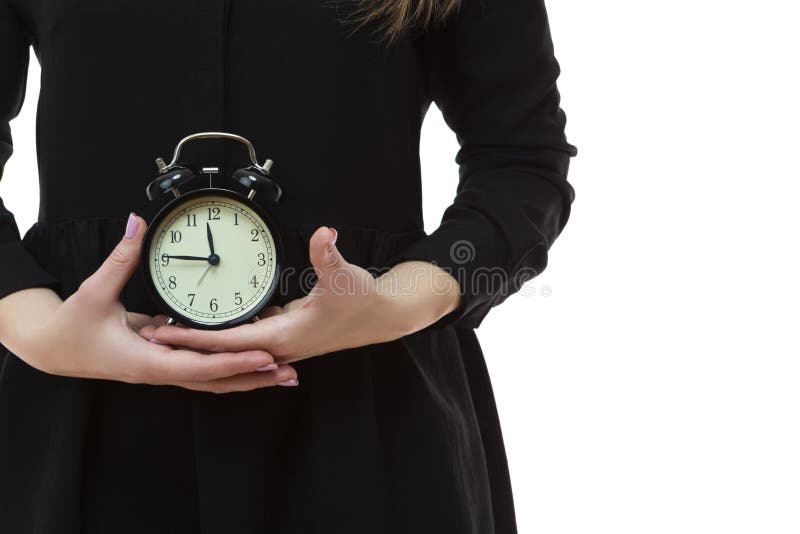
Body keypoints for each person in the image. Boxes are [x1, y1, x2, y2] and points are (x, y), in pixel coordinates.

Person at [0, 0, 577, 532]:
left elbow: (520, 159)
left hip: (369, 406)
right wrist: (34, 329)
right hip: (74, 413)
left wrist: (397, 302)